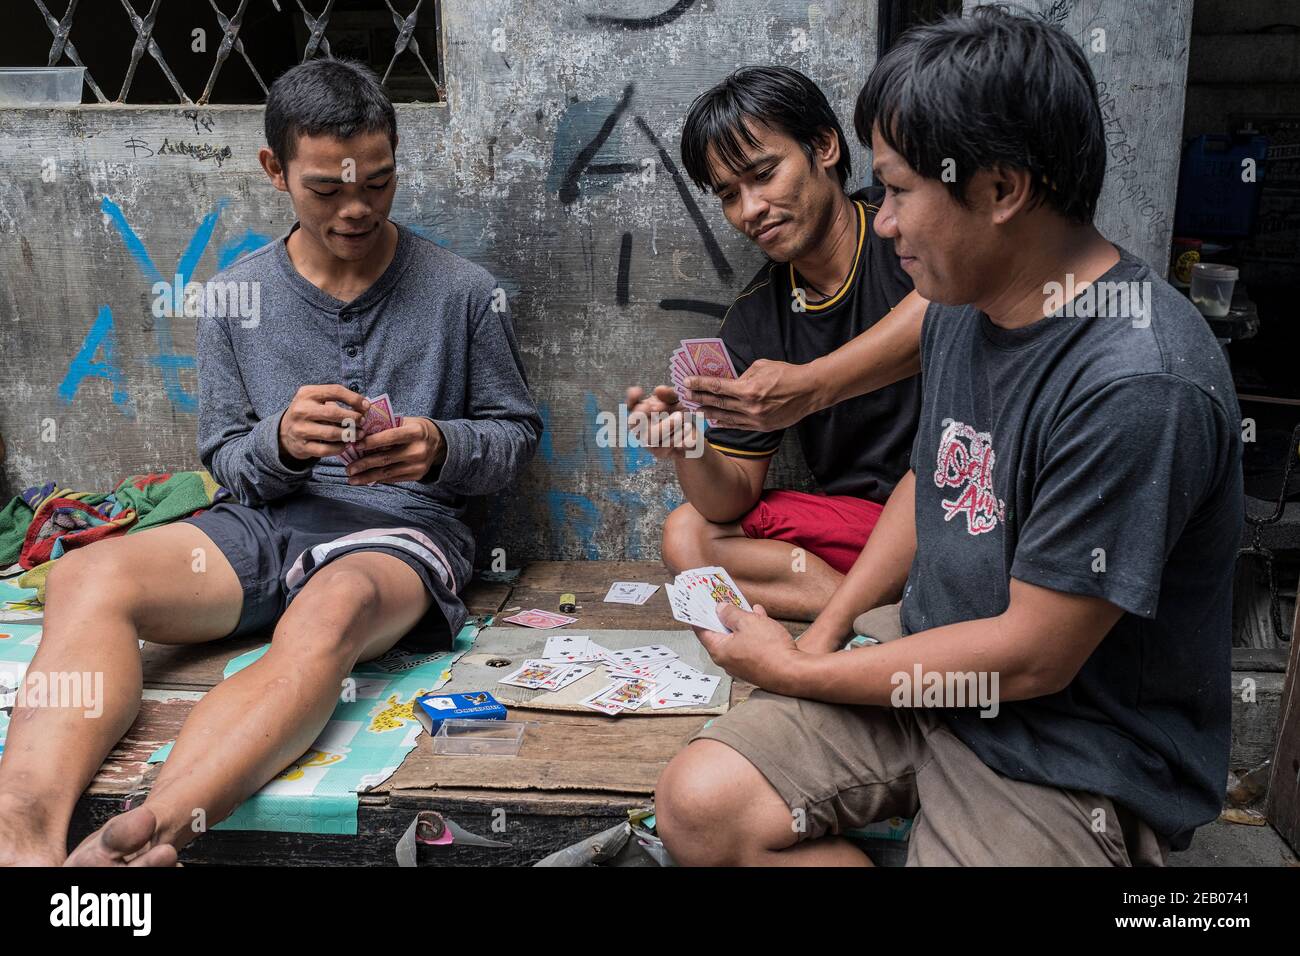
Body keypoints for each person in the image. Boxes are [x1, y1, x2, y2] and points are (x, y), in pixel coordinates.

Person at [655, 7, 1243, 866]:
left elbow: (1032, 660)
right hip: (925, 670)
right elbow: (931, 482)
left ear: (1000, 191)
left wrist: (799, 673)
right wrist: (828, 633)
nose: (883, 220)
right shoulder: (961, 305)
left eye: (896, 191)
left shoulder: (1139, 384)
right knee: (699, 805)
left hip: (1066, 742)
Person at [0, 58, 541, 866]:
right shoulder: (236, 294)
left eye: (379, 183)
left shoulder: (460, 290)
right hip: (261, 524)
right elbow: (222, 455)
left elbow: (515, 435)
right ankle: (22, 835)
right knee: (88, 576)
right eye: (327, 189)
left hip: (399, 531)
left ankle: (147, 838)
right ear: (274, 170)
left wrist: (440, 447)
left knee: (332, 608)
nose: (357, 209)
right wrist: (278, 442)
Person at [625, 66, 928, 621]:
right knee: (688, 535)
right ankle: (881, 615)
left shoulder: (900, 232)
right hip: (860, 529)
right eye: (728, 195)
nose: (749, 210)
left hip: (963, 506)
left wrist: (811, 386)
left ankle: (879, 610)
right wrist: (688, 446)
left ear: (824, 146)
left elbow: (941, 310)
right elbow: (733, 496)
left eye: (764, 174)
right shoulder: (756, 317)